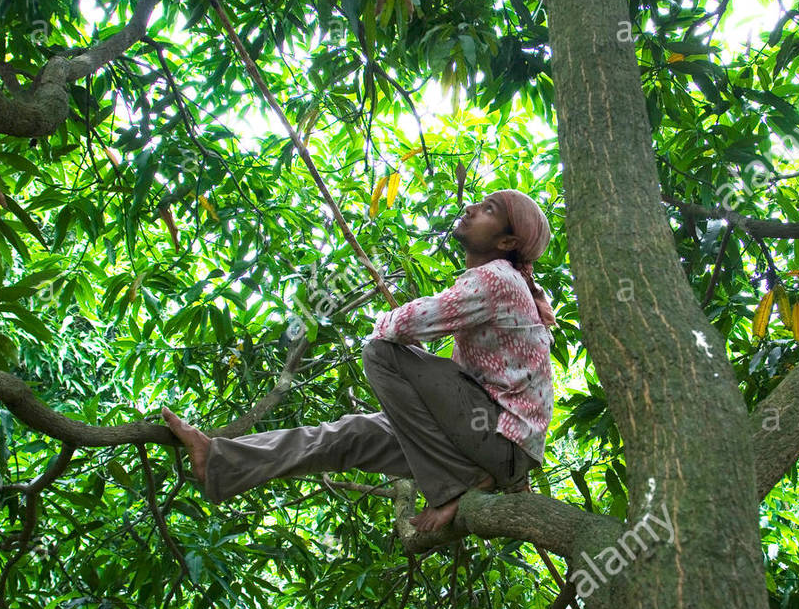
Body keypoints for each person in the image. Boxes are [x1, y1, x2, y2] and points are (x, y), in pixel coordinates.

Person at [162, 189, 556, 532]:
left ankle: (462, 485)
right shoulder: (496, 279)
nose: (470, 208)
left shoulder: (497, 277)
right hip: (480, 442)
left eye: (488, 210)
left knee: (380, 352)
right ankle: (219, 461)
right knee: (346, 437)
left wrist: (383, 320)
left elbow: (402, 326)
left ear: (506, 243)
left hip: (499, 441)